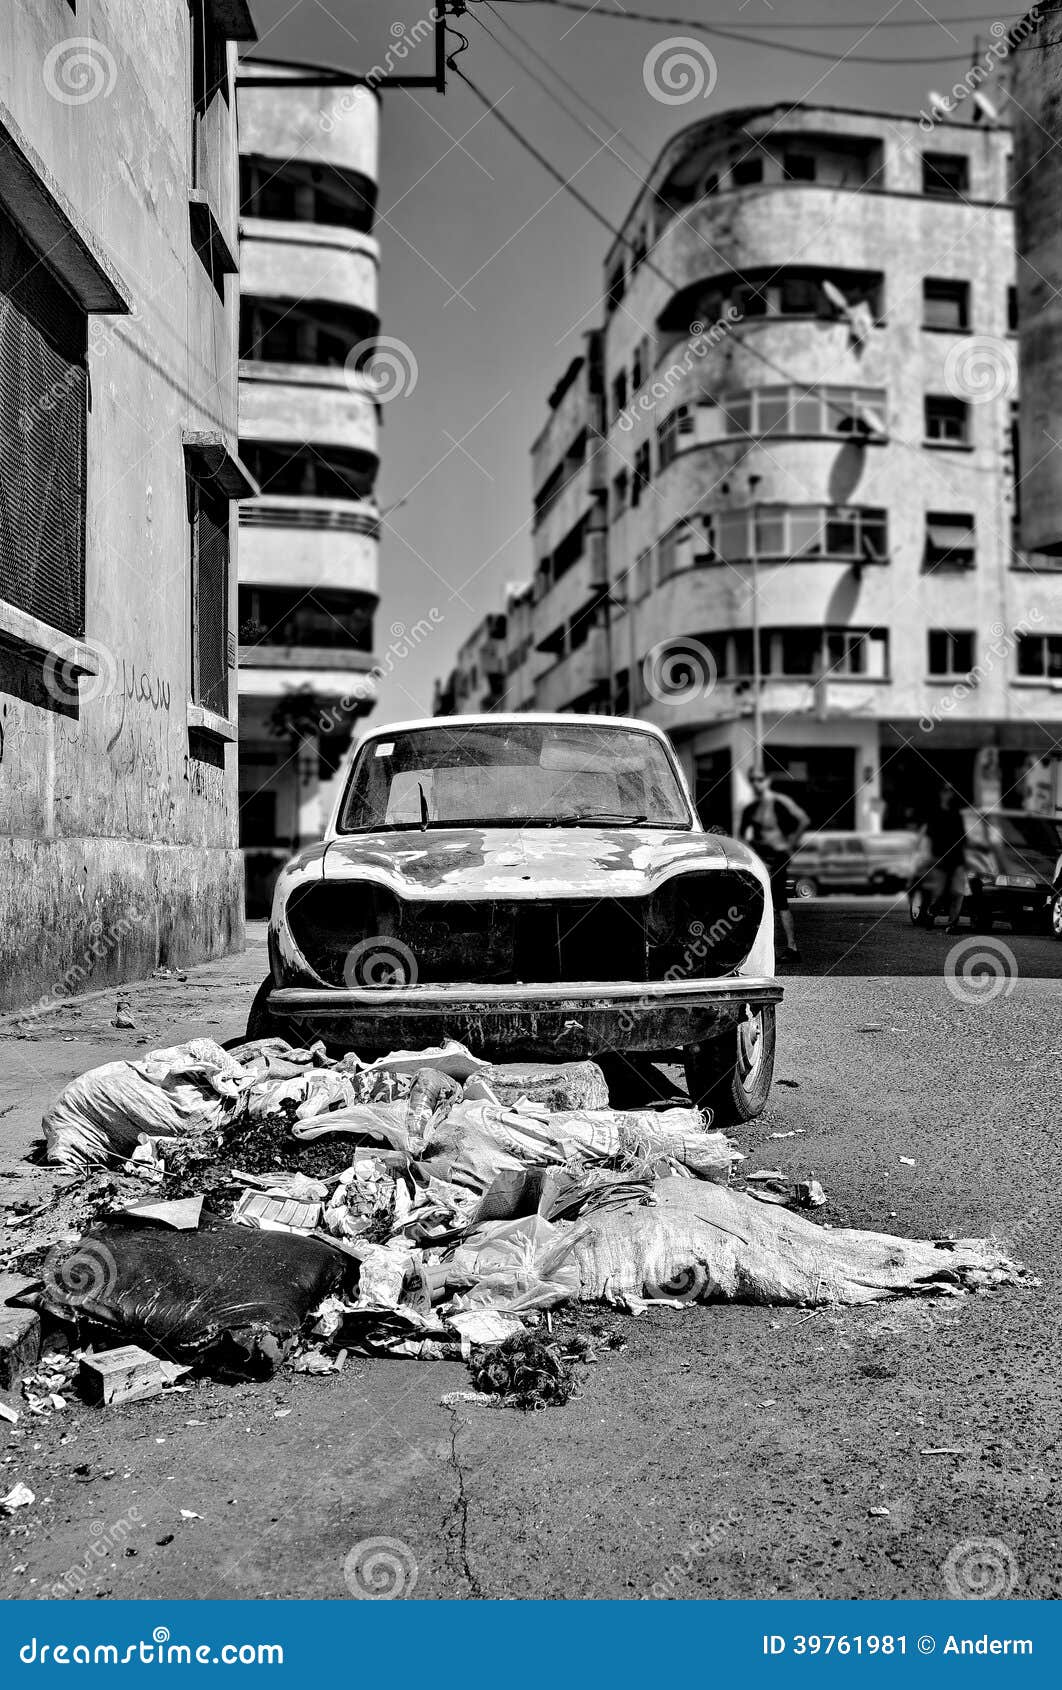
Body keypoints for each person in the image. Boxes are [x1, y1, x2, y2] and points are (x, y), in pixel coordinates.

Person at [740, 769, 810, 963]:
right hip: (760, 859)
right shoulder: (751, 808)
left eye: (760, 779)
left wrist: (790, 844)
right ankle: (759, 951)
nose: (757, 783)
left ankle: (792, 948)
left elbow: (803, 820)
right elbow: (742, 836)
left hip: (777, 858)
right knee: (758, 903)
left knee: (779, 903)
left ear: (767, 780)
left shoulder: (779, 802)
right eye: (753, 780)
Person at [920, 784, 968, 932]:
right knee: (940, 892)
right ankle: (931, 913)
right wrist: (931, 856)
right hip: (939, 859)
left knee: (958, 892)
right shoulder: (934, 814)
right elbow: (929, 837)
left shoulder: (957, 814)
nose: (949, 794)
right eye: (946, 791)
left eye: (951, 791)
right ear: (941, 794)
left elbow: (963, 836)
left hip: (957, 859)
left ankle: (952, 924)